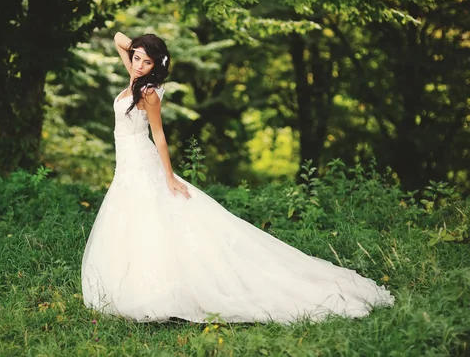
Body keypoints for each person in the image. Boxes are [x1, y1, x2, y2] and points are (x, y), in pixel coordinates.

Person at [80, 32, 394, 324]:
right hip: (127, 165)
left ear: (156, 66)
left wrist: (170, 177)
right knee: (134, 221)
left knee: (154, 217)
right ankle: (134, 282)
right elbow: (120, 40)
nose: (138, 65)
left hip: (142, 159)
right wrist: (137, 50)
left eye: (147, 62)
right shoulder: (134, 78)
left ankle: (160, 291)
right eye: (136, 59)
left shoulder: (148, 92)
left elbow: (160, 137)